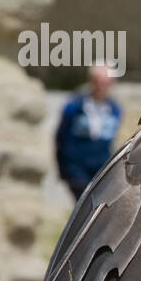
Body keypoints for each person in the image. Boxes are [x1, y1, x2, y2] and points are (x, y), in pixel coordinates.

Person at [55, 62, 122, 200]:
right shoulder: (75, 106)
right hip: (77, 170)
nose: (101, 86)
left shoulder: (115, 110)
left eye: (106, 82)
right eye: (98, 81)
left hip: (101, 169)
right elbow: (61, 136)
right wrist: (64, 169)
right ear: (91, 81)